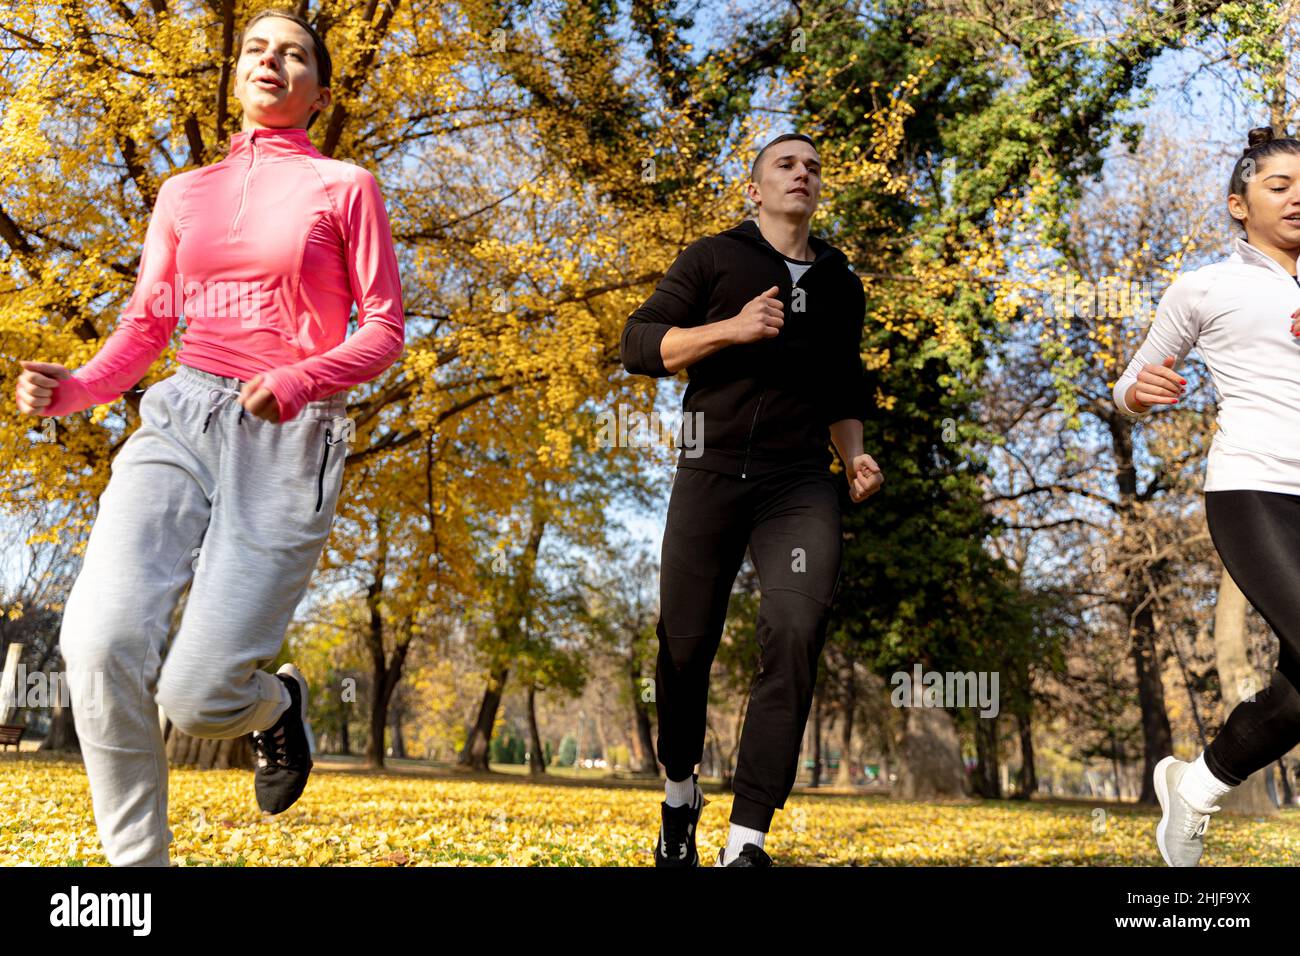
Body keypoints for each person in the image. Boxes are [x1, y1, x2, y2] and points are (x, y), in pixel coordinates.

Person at [12, 8, 405, 866]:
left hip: (289, 435)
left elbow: (383, 329)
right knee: (98, 641)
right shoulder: (183, 194)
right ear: (235, 76)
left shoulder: (346, 185)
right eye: (256, 49)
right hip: (182, 416)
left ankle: (274, 707)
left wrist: (301, 379)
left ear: (319, 90)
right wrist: (70, 391)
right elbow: (148, 324)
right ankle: (139, 872)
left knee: (196, 699)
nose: (272, 60)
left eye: (294, 54)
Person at [620, 132, 883, 867]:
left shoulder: (841, 282)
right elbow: (637, 345)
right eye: (786, 164)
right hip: (708, 470)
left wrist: (855, 455)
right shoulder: (712, 257)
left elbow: (844, 390)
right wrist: (731, 329)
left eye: (813, 166)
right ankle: (680, 795)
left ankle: (747, 841)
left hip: (798, 482)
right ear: (755, 189)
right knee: (684, 646)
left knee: (795, 631)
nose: (803, 174)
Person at [1112, 126, 1300, 866]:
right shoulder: (1205, 287)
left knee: (1297, 696)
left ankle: (1193, 787)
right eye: (1279, 185)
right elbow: (1131, 382)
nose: (1298, 197)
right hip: (1255, 490)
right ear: (1237, 204)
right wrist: (1140, 392)